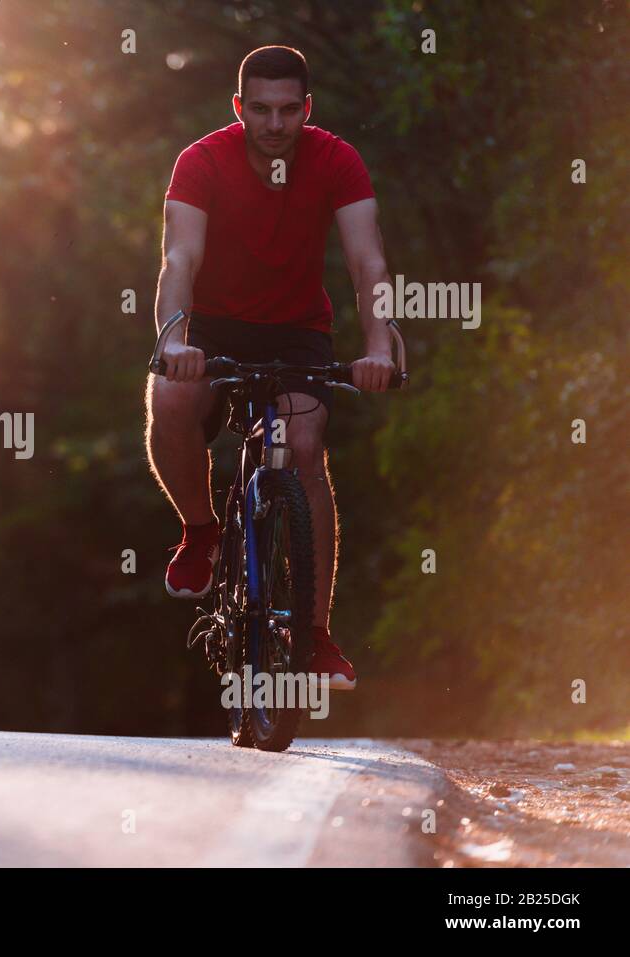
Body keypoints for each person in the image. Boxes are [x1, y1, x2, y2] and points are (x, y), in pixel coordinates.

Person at [146, 45, 396, 690]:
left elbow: (367, 261)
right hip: (213, 325)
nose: (275, 124)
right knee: (170, 403)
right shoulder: (201, 161)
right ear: (239, 108)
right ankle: (199, 532)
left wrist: (377, 345)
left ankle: (314, 638)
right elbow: (180, 260)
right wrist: (174, 342)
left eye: (289, 110)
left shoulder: (336, 159)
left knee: (305, 446)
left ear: (307, 109)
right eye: (260, 109)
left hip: (295, 331)